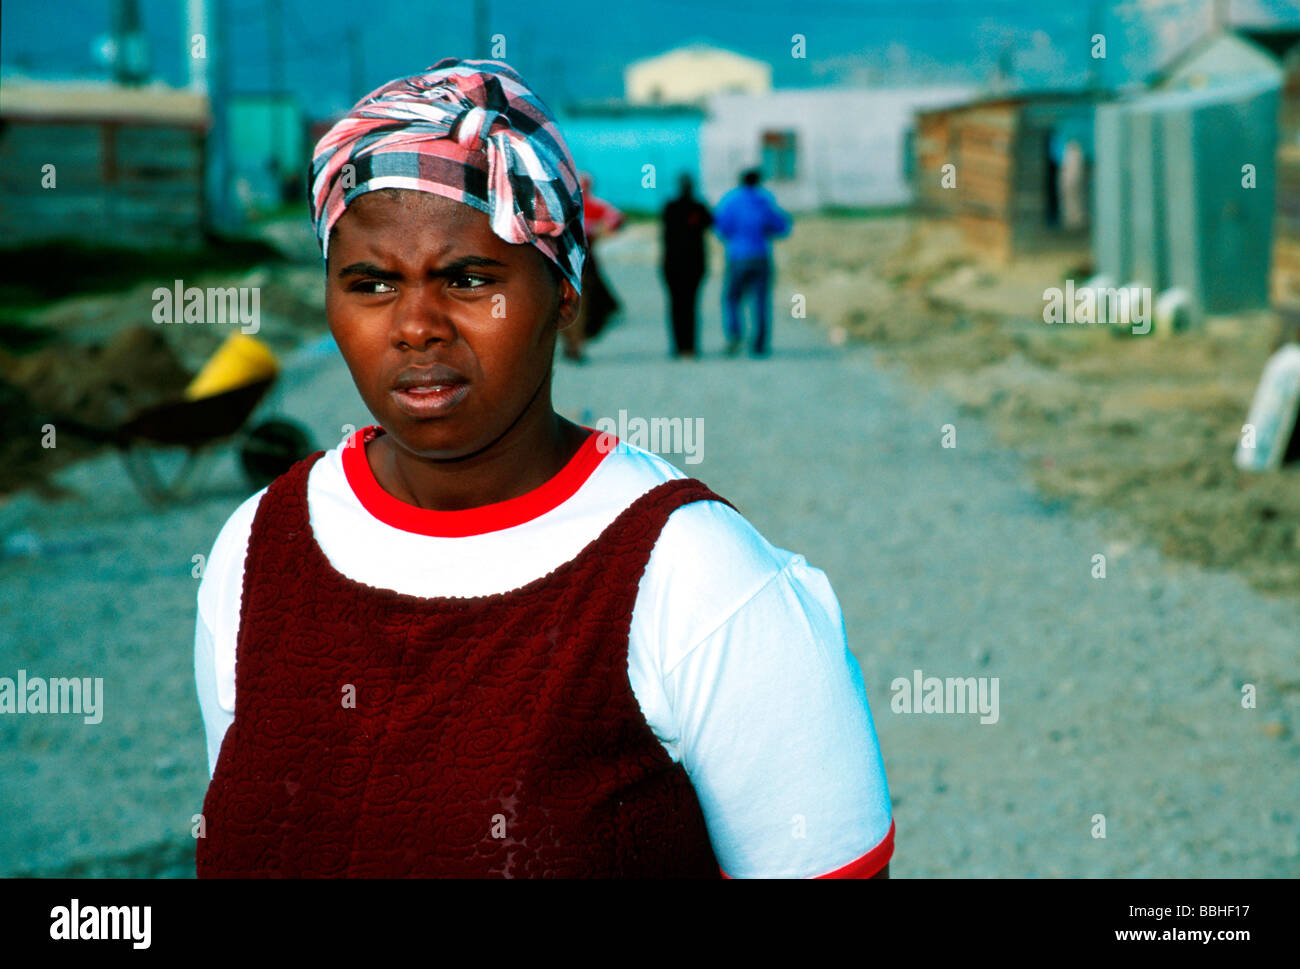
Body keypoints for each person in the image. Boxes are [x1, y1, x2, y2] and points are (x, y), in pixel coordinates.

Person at [193, 58, 894, 879]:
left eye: (467, 279)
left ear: (564, 293)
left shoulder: (701, 582)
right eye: (372, 282)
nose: (416, 326)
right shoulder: (257, 551)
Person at [713, 168, 792, 357]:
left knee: (732, 298)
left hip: (737, 256)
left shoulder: (730, 200)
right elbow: (782, 226)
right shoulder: (764, 200)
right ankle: (760, 343)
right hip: (761, 256)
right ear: (758, 181)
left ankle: (735, 336)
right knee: (761, 301)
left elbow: (721, 228)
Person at [560, 172, 623, 363]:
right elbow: (616, 219)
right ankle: (576, 343)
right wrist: (599, 231)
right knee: (583, 303)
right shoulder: (593, 206)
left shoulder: (563, 205)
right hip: (584, 262)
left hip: (565, 261)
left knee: (566, 302)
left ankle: (572, 342)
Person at [660, 173, 712, 358]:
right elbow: (711, 223)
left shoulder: (670, 207)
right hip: (694, 264)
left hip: (673, 264)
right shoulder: (699, 207)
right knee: (691, 305)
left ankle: (678, 346)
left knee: (675, 306)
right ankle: (690, 346)